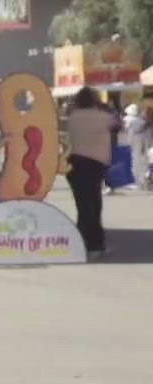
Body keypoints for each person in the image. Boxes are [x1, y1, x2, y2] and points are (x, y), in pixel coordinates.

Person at [63, 87, 119, 258]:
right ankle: (94, 244)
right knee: (94, 205)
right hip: (94, 163)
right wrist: (104, 107)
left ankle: (82, 241)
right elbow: (117, 125)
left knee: (83, 205)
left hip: (74, 163)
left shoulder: (72, 117)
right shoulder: (104, 117)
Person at [126, 102, 150, 191]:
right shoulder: (141, 121)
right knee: (139, 160)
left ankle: (138, 180)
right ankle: (141, 179)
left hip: (133, 142)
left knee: (134, 161)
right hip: (140, 143)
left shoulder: (128, 120)